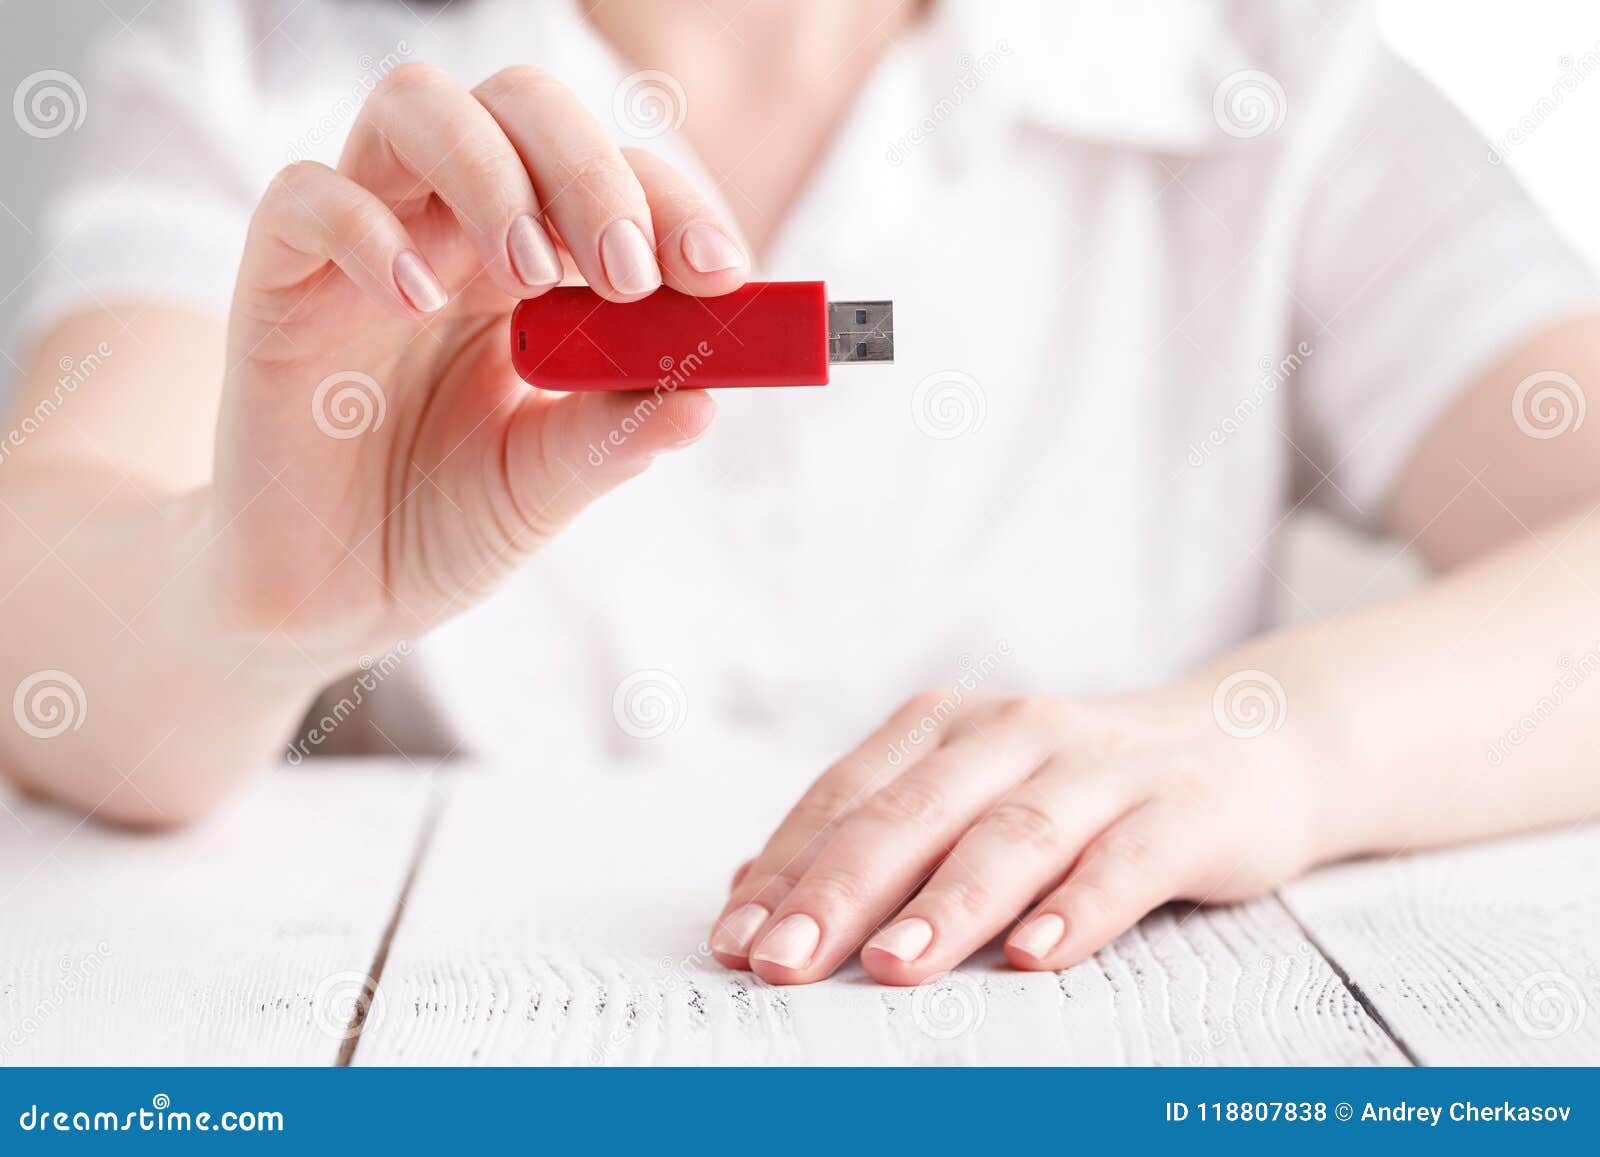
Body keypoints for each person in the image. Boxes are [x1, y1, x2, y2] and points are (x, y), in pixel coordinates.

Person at [4, 0, 1600, 989]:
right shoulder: (253, 71)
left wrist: (1273, 741)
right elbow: (40, 601)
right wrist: (245, 596)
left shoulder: (1272, 77)